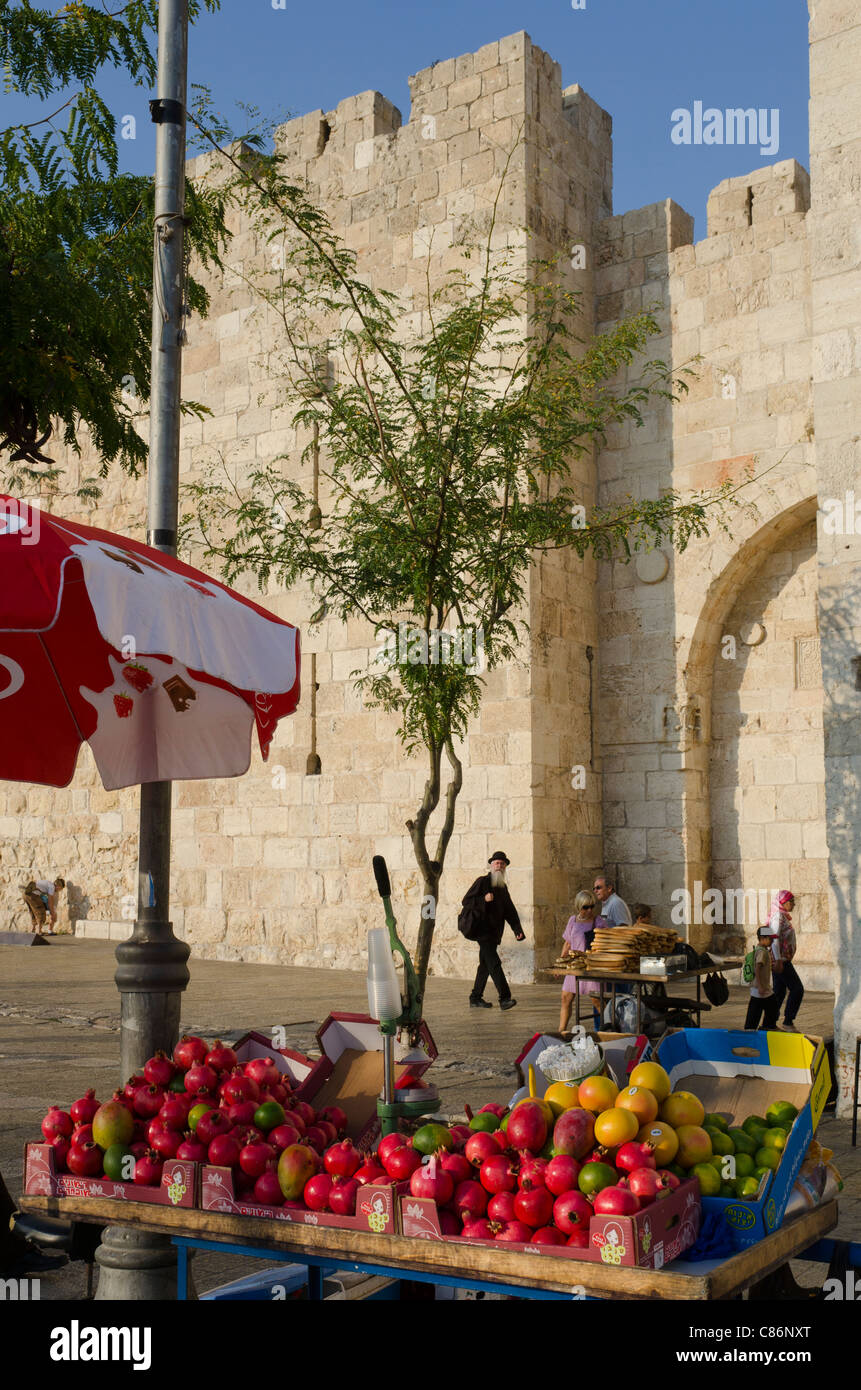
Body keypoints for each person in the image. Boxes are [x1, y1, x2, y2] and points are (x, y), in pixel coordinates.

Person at [462, 851, 525, 1010]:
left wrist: (517, 929)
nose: (499, 866)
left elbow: (510, 911)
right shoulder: (482, 882)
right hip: (482, 931)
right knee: (494, 963)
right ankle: (504, 998)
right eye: (497, 863)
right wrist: (483, 899)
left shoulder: (503, 888)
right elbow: (467, 901)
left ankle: (475, 997)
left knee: (485, 965)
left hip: (494, 933)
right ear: (491, 865)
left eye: (502, 864)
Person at [559, 891, 602, 1033]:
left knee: (597, 1001)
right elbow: (567, 943)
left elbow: (605, 943)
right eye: (585, 907)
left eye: (592, 906)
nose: (589, 910)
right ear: (579, 907)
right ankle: (561, 1031)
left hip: (590, 966)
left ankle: (610, 1027)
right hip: (574, 964)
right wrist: (560, 964)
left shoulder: (598, 922)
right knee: (566, 997)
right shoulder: (573, 920)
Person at [769, 889, 804, 1031]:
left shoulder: (782, 916)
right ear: (784, 902)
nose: (794, 904)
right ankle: (788, 1022)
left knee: (779, 992)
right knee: (797, 989)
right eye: (792, 901)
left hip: (781, 959)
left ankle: (769, 1022)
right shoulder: (777, 916)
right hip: (781, 961)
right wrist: (778, 960)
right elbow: (774, 940)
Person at [744, 922, 780, 1031]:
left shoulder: (760, 950)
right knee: (771, 1008)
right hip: (761, 988)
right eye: (770, 938)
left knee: (758, 1010)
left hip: (760, 988)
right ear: (763, 938)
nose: (773, 941)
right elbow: (757, 968)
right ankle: (766, 1027)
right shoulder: (762, 952)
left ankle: (761, 1027)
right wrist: (760, 986)